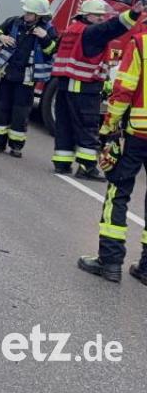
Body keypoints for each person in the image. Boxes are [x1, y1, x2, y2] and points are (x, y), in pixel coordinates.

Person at [76, 26, 147, 284]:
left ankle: (110, 261)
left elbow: (123, 90)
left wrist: (109, 127)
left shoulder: (141, 43)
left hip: (138, 133)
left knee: (118, 192)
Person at [51, 0, 143, 178]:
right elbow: (113, 27)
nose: (102, 19)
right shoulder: (90, 32)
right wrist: (133, 13)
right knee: (87, 127)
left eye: (103, 15)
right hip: (84, 88)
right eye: (98, 15)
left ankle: (62, 163)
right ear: (86, 15)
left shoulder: (72, 29)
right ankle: (87, 167)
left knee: (65, 125)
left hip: (64, 86)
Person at [0, 0, 58, 157]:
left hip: (26, 78)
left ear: (39, 15)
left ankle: (16, 146)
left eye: (30, 13)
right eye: (26, 11)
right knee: (1, 108)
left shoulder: (47, 30)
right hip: (7, 73)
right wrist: (2, 37)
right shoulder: (15, 22)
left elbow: (51, 52)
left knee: (20, 112)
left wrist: (45, 38)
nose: (26, 15)